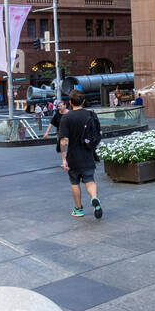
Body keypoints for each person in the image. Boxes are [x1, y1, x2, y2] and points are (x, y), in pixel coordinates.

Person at [58, 91, 104, 219]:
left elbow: (64, 140)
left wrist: (64, 159)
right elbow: (98, 132)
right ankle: (94, 198)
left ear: (70, 102)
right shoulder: (90, 114)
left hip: (73, 156)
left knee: (74, 182)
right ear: (83, 101)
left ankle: (78, 209)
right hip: (88, 154)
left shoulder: (66, 118)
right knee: (89, 180)